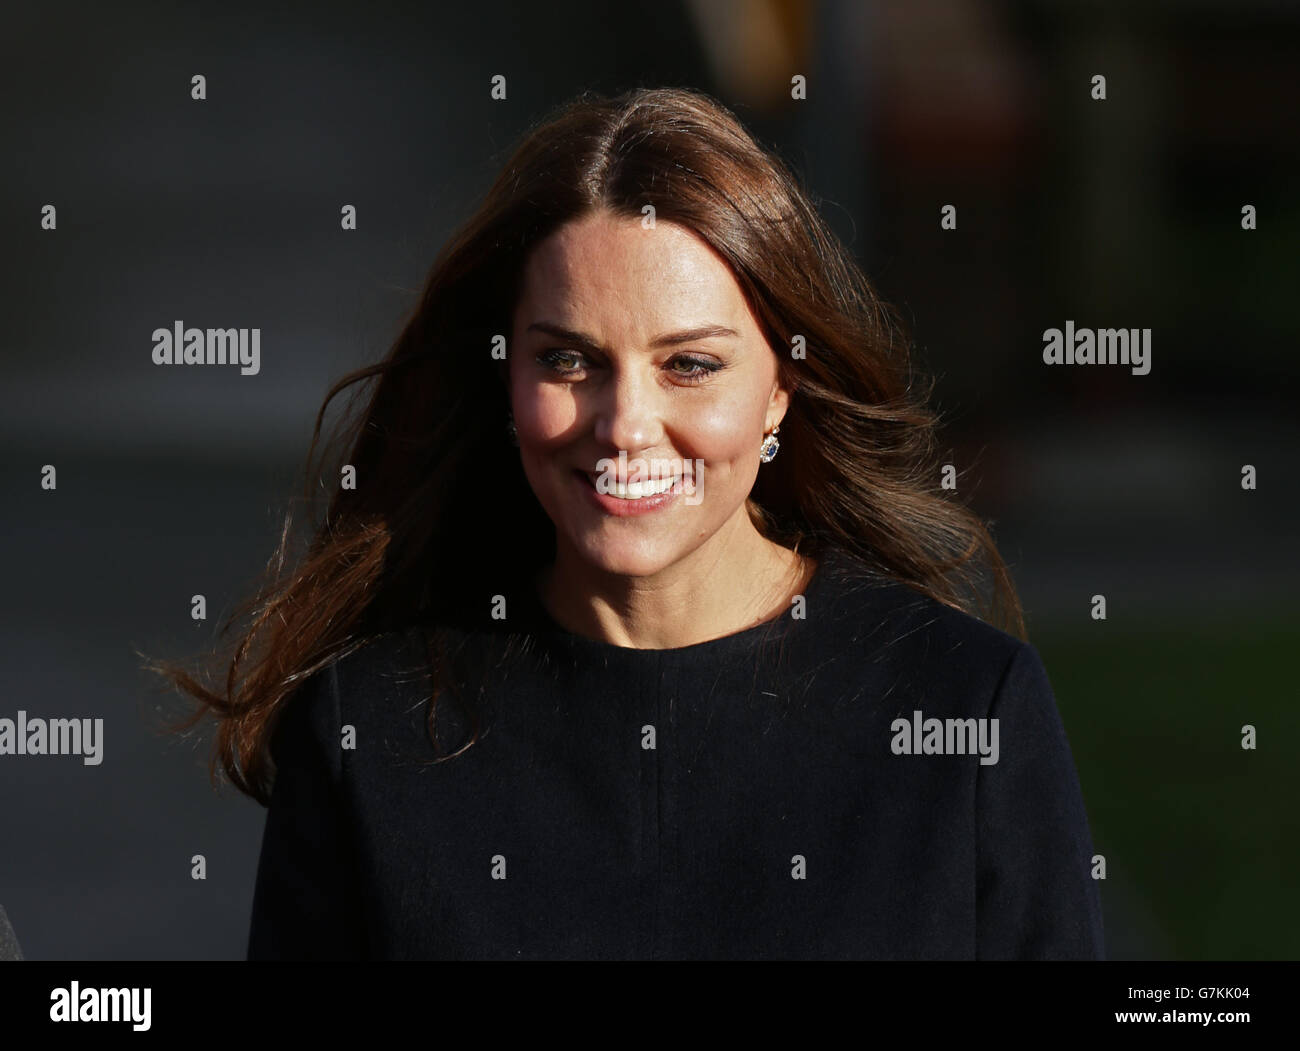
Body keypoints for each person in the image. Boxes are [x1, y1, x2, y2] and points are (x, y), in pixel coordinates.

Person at [149, 86, 1104, 960]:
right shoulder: (370, 727)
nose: (624, 425)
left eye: (689, 364)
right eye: (569, 361)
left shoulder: (966, 706)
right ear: (505, 376)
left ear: (783, 387)